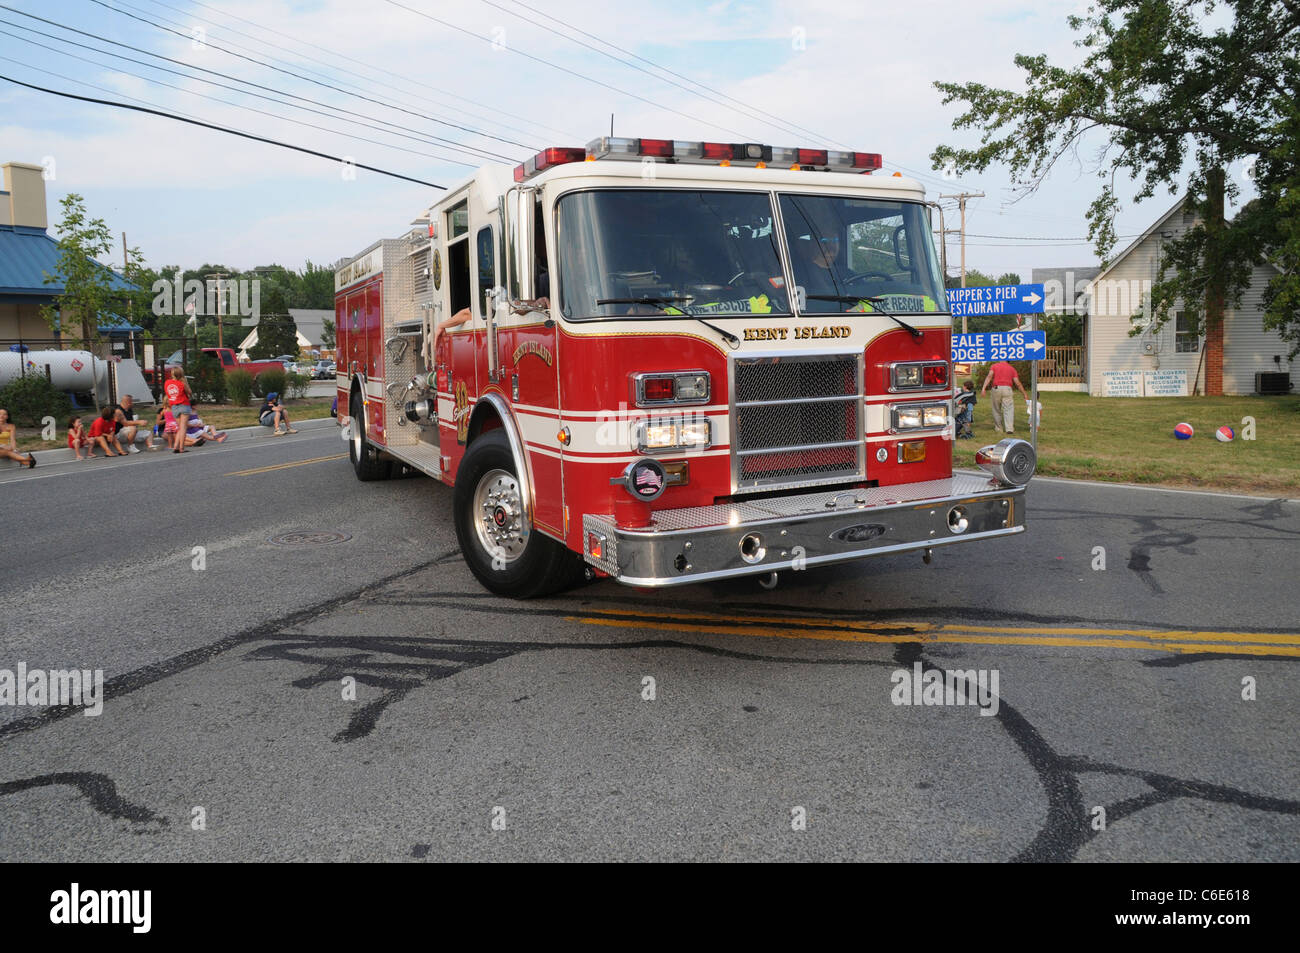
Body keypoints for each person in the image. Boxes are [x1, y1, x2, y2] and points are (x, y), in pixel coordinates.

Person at [980, 360, 1028, 434]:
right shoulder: (1012, 369)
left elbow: (989, 376)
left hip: (996, 388)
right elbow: (1017, 383)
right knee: (1008, 409)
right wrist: (1024, 393)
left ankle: (999, 428)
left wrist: (983, 388)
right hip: (1007, 389)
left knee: (996, 409)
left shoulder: (994, 366)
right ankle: (1009, 429)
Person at [162, 366, 195, 453]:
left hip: (174, 406)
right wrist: (186, 382)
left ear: (172, 374)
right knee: (183, 428)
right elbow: (190, 392)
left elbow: (168, 392)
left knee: (179, 428)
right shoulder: (182, 383)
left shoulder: (167, 383)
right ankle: (181, 448)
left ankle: (176, 446)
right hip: (183, 405)